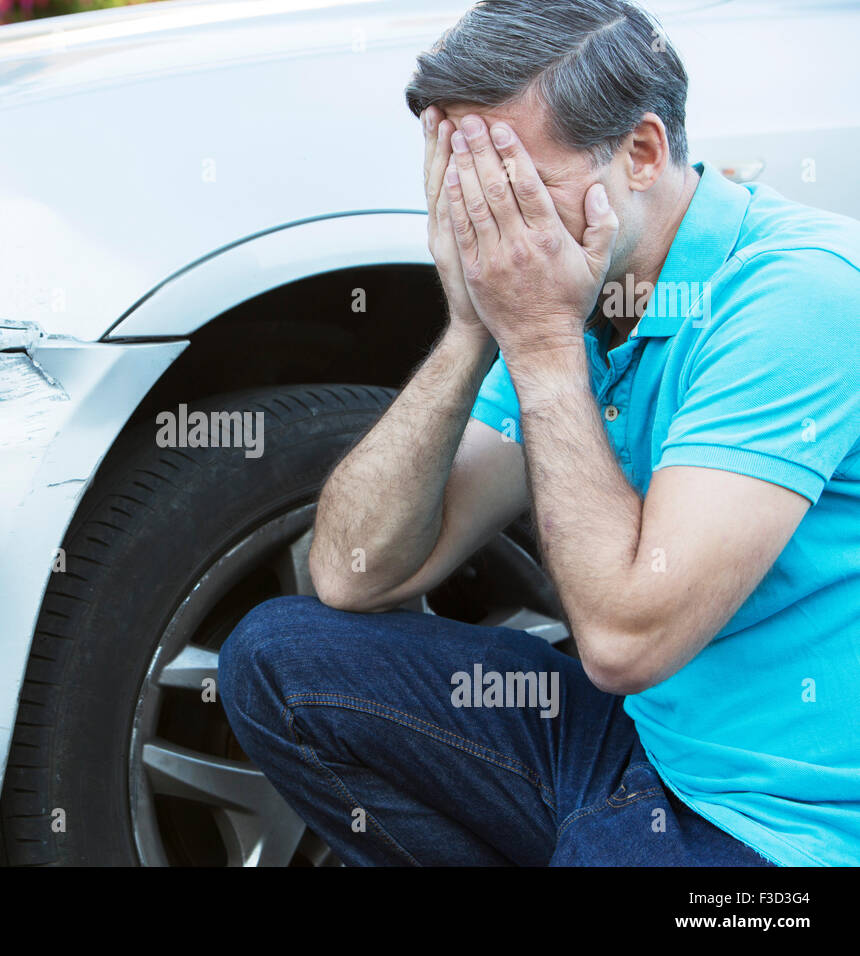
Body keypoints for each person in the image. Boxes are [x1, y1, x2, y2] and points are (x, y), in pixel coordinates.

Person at [218, 0, 860, 866]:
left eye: (515, 182)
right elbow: (355, 573)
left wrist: (543, 341)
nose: (492, 225)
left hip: (791, 824)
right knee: (276, 657)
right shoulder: (585, 290)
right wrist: (469, 331)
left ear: (640, 152)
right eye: (466, 184)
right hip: (640, 750)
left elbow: (628, 644)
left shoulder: (799, 300)